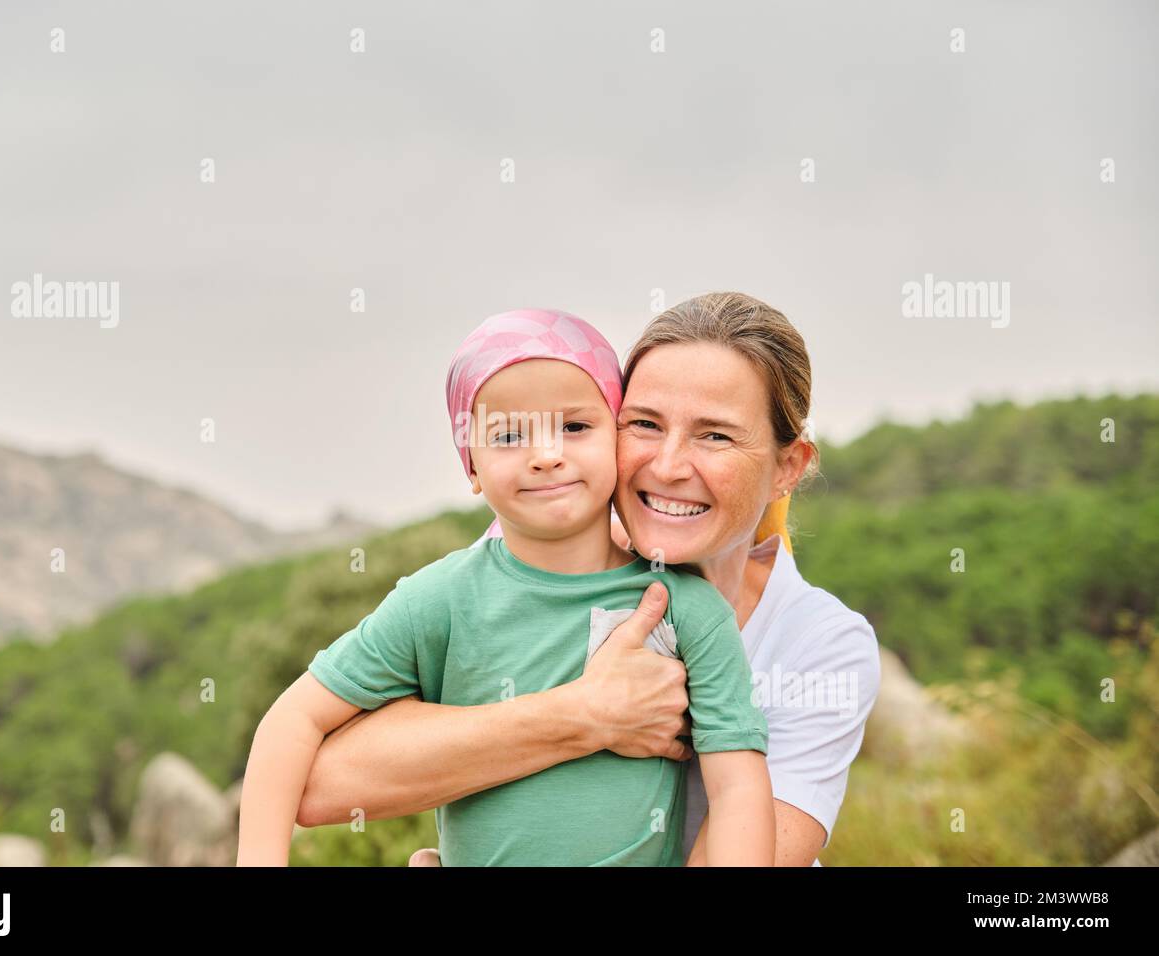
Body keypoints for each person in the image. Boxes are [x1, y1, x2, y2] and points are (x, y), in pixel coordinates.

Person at [297, 292, 881, 867]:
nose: (669, 466)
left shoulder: (818, 642)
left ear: (787, 467)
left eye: (715, 435)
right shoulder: (531, 559)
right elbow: (321, 782)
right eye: (645, 424)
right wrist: (585, 714)